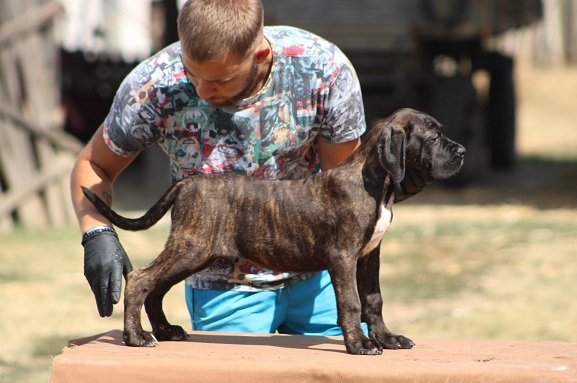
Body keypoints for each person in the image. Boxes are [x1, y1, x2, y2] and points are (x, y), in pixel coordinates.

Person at [70, 0, 366, 336]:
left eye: (220, 80)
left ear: (259, 57)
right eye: (191, 72)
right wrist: (96, 232)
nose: (201, 90)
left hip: (319, 280)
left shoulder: (323, 71)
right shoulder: (156, 83)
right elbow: (94, 164)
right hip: (225, 288)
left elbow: (344, 193)